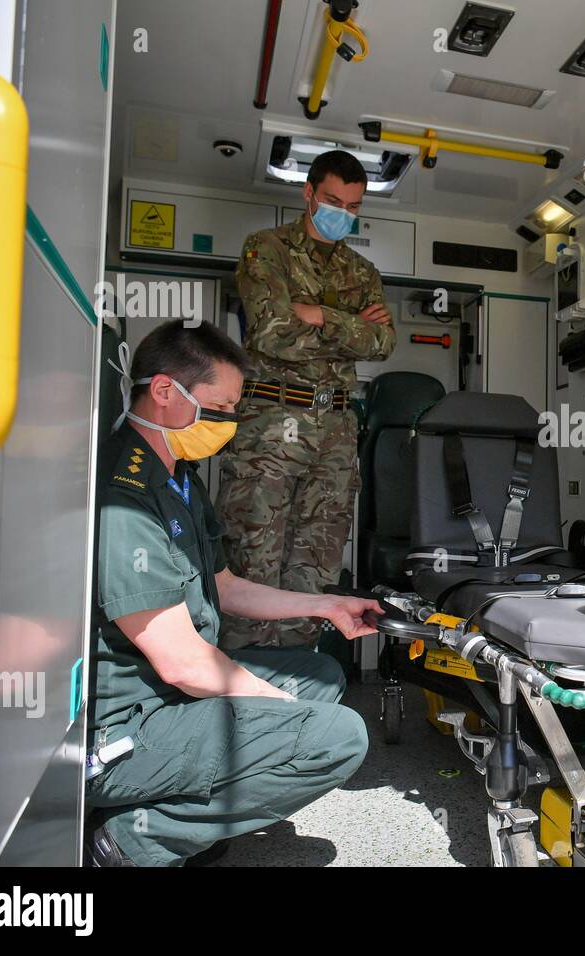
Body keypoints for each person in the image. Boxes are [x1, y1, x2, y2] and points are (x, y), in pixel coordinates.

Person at [86, 320, 384, 866]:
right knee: (336, 737)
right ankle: (129, 842)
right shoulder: (126, 493)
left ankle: (183, 812)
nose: (228, 421)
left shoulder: (179, 476)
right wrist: (279, 708)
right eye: (220, 407)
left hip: (169, 695)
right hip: (124, 729)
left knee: (320, 676)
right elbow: (183, 664)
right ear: (164, 391)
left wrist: (326, 605)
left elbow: (223, 587)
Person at [217, 149, 395, 650]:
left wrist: (318, 314)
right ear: (309, 193)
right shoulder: (265, 249)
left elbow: (383, 343)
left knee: (317, 560)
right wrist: (352, 327)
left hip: (336, 429)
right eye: (334, 201)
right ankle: (241, 676)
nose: (343, 213)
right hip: (272, 423)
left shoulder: (362, 271)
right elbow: (272, 332)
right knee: (254, 553)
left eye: (353, 206)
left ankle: (297, 673)